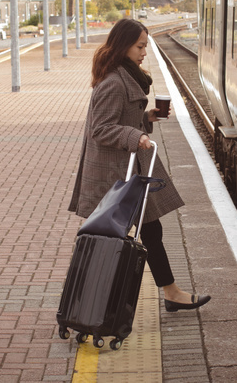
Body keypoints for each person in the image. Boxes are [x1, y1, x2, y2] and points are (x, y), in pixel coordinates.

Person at [68, 18, 210, 311]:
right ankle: (89, 302)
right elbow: (100, 128)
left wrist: (147, 119)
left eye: (145, 46)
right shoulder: (113, 82)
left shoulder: (124, 75)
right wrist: (136, 135)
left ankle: (169, 293)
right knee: (110, 237)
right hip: (114, 172)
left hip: (128, 167)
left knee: (147, 230)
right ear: (124, 46)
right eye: (140, 46)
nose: (144, 51)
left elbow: (121, 120)